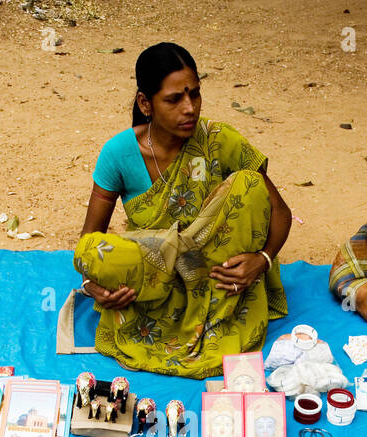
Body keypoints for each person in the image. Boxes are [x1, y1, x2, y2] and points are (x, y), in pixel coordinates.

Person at [76, 42, 291, 379]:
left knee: (249, 184)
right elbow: (90, 240)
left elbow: (281, 211)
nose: (190, 108)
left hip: (218, 276)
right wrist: (93, 284)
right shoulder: (118, 153)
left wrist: (262, 260)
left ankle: (215, 314)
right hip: (156, 272)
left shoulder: (221, 140)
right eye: (174, 99)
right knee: (97, 254)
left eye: (195, 94)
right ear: (145, 103)